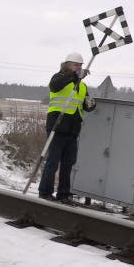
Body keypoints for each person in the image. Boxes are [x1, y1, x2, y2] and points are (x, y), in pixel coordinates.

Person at [38, 52, 96, 203]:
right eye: (76, 65)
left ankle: (64, 194)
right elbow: (54, 87)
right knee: (52, 162)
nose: (79, 68)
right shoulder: (59, 78)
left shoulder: (82, 86)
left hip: (73, 130)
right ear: (67, 65)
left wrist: (90, 104)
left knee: (68, 164)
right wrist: (73, 76)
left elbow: (85, 105)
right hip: (57, 127)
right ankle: (45, 192)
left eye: (80, 65)